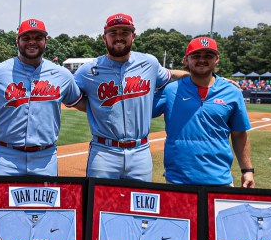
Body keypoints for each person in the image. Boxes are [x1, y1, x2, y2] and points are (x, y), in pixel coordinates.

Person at [73, 13, 188, 181]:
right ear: (105, 38)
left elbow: (170, 75)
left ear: (133, 36)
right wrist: (93, 108)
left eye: (124, 32)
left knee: (138, 205)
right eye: (113, 33)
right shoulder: (88, 70)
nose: (119, 37)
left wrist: (213, 80)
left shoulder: (149, 63)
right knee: (98, 204)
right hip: (104, 152)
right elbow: (70, 94)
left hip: (140, 152)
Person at [0, 18, 82, 176]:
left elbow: (81, 102)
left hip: (45, 157)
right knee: (0, 201)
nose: (32, 42)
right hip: (5, 157)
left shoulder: (62, 75)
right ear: (17, 41)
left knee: (44, 201)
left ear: (46, 41)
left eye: (38, 38)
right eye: (26, 38)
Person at [153, 36, 255, 187]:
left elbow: (239, 134)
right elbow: (139, 110)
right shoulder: (170, 90)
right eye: (196, 56)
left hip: (220, 180)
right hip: (178, 180)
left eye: (208, 56)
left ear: (216, 59)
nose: (202, 60)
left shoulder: (232, 92)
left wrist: (247, 170)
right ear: (186, 60)